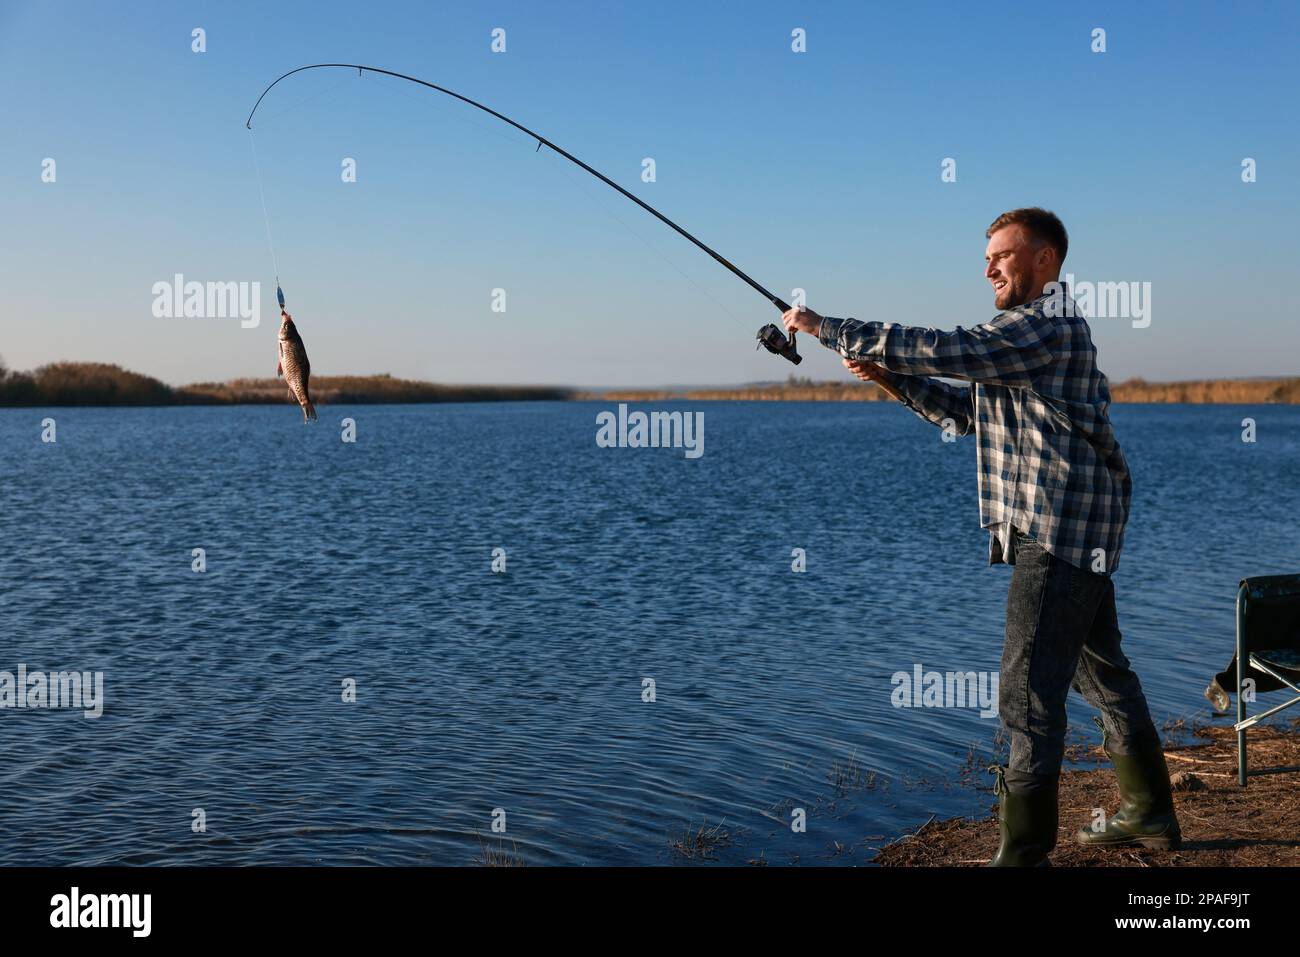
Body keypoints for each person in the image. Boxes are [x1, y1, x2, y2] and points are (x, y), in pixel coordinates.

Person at [782, 208, 1180, 866]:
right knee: (1102, 673)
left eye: (1002, 254)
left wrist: (826, 327)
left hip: (1058, 530)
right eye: (986, 257)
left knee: (1025, 692)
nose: (988, 266)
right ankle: (1150, 809)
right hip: (1074, 530)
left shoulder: (1042, 326)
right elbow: (971, 413)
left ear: (1044, 260)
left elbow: (949, 348)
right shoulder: (1025, 341)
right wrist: (892, 379)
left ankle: (1023, 852)